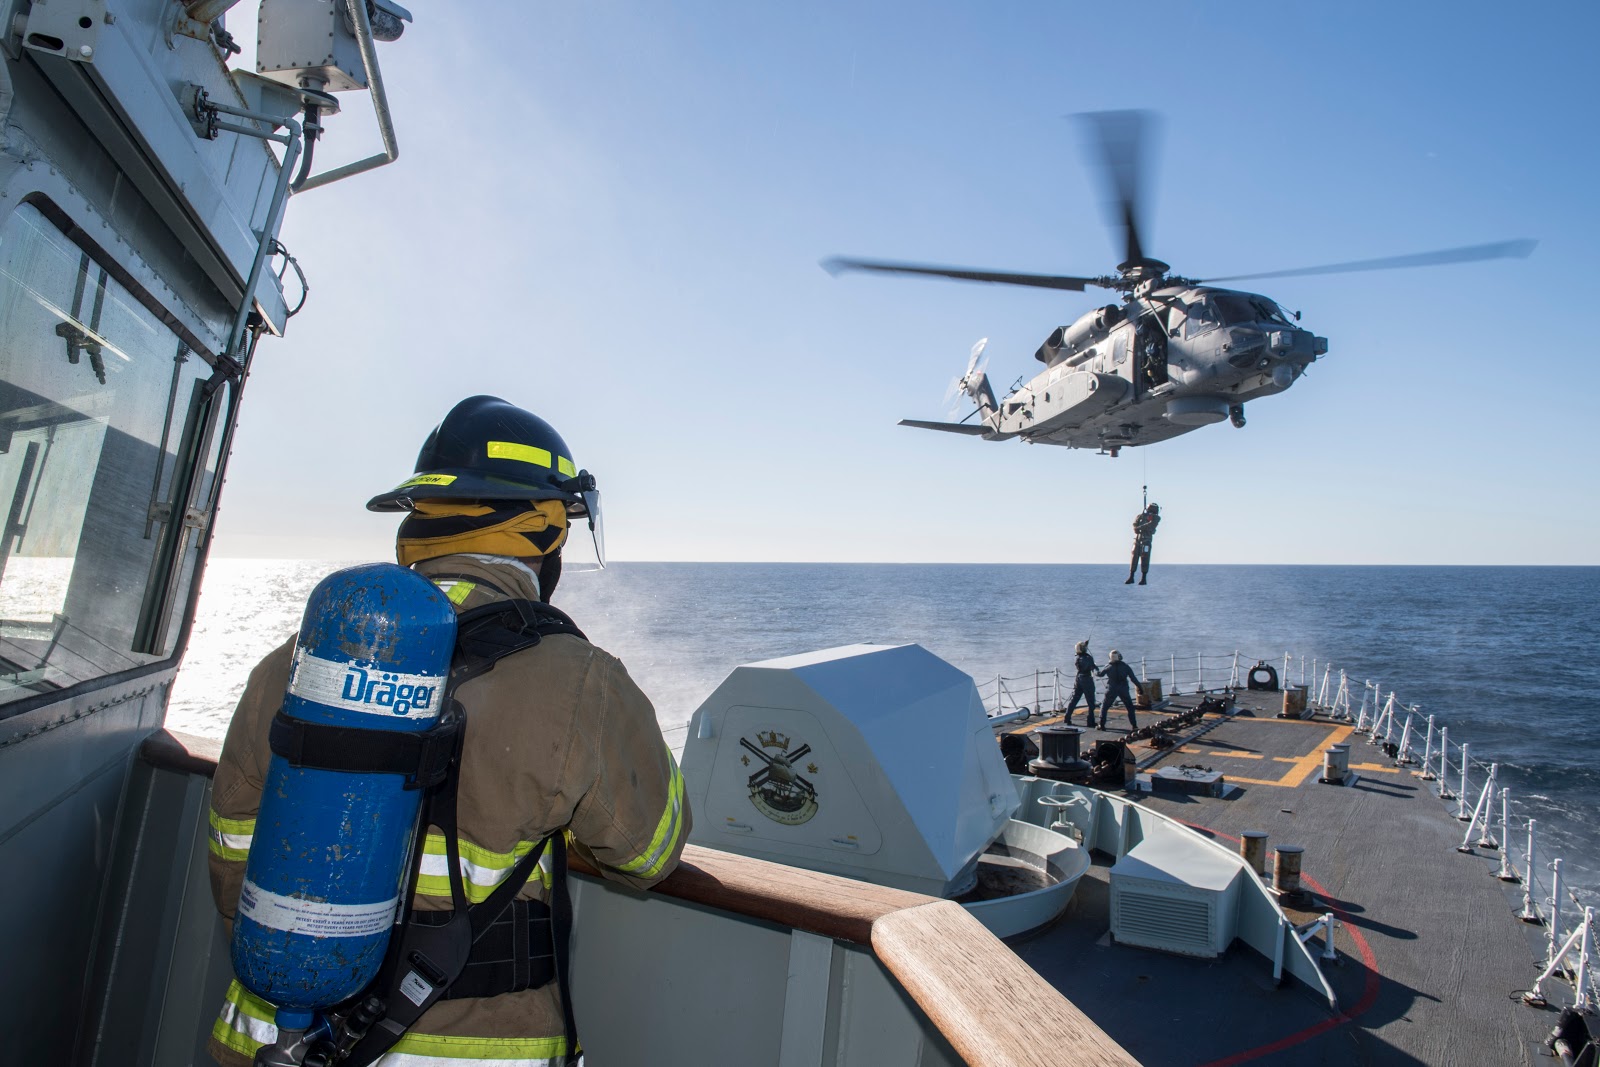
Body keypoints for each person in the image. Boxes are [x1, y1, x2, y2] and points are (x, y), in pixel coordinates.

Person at [205, 396, 689, 1067]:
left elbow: (233, 857)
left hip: (269, 1040)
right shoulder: (580, 680)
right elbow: (651, 851)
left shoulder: (294, 661)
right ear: (548, 529)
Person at [1097, 650, 1145, 731]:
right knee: (1130, 707)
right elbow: (1133, 679)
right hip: (1123, 689)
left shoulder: (1108, 666)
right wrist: (1140, 688)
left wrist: (1095, 671)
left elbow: (1100, 674)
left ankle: (1101, 725)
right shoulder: (1125, 666)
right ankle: (1134, 726)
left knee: (1104, 707)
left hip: (1111, 689)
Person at [1064, 639, 1098, 726]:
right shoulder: (1088, 658)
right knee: (1091, 702)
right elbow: (1092, 666)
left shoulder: (1078, 658)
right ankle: (1090, 721)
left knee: (1074, 699)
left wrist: (1085, 644)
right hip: (1087, 680)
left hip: (1078, 679)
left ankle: (1067, 718)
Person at [1126, 503, 1160, 585]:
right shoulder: (1141, 516)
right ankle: (1131, 576)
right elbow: (1135, 523)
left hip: (1146, 540)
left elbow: (1151, 525)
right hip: (1137, 539)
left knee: (1145, 558)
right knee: (1134, 557)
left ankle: (1143, 578)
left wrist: (1139, 528)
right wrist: (1135, 528)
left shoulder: (1156, 518)